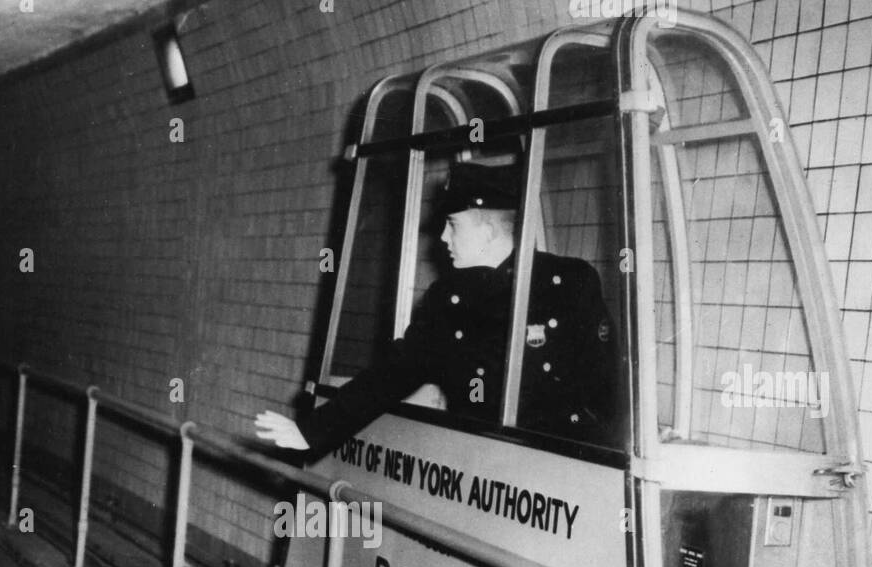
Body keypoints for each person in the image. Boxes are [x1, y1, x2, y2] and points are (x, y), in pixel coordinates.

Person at [254, 161, 618, 456]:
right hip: (484, 469)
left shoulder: (567, 283)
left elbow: (607, 386)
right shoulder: (448, 300)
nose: (443, 238)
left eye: (452, 225)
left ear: (488, 231)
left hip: (565, 469)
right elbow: (392, 373)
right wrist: (312, 431)